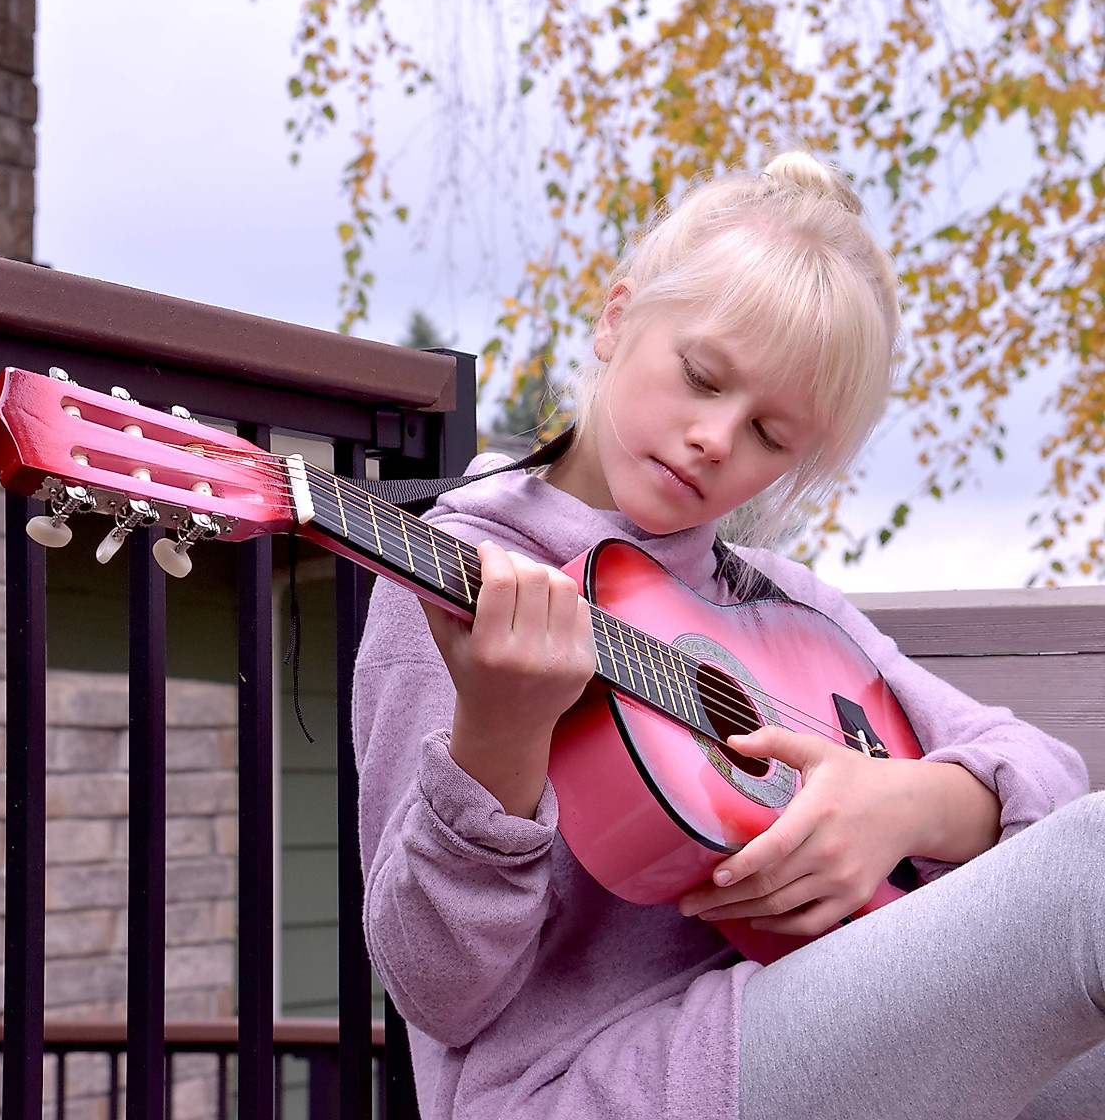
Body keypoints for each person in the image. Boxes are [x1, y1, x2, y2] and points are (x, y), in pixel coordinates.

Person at [351, 153, 1102, 1120]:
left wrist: (897, 810)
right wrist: (498, 740)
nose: (715, 437)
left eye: (771, 436)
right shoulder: (458, 575)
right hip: (591, 1085)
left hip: (821, 1023)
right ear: (617, 320)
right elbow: (438, 995)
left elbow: (1046, 773)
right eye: (702, 377)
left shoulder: (781, 610)